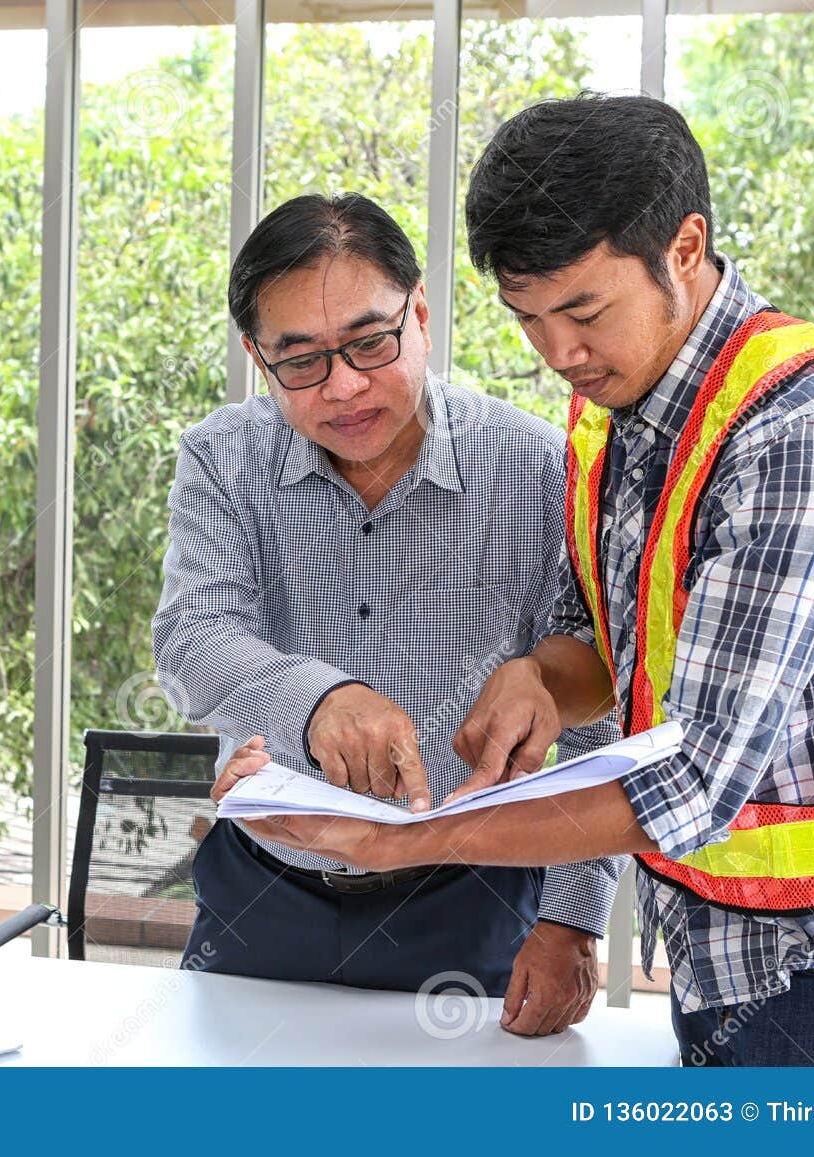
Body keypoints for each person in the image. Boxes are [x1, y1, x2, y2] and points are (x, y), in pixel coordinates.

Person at [218, 96, 814, 1067]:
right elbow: (606, 625)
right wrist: (542, 675)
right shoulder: (617, 401)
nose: (559, 354)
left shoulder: (803, 436)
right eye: (528, 320)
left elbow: (693, 781)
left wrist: (401, 841)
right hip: (726, 933)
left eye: (583, 312)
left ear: (683, 246)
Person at [152, 192, 625, 1035]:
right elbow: (194, 639)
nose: (344, 386)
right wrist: (320, 697)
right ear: (260, 361)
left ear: (421, 316)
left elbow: (592, 698)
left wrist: (574, 915)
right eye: (301, 360)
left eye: (371, 342)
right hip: (263, 886)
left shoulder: (538, 465)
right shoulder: (221, 458)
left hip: (471, 893)